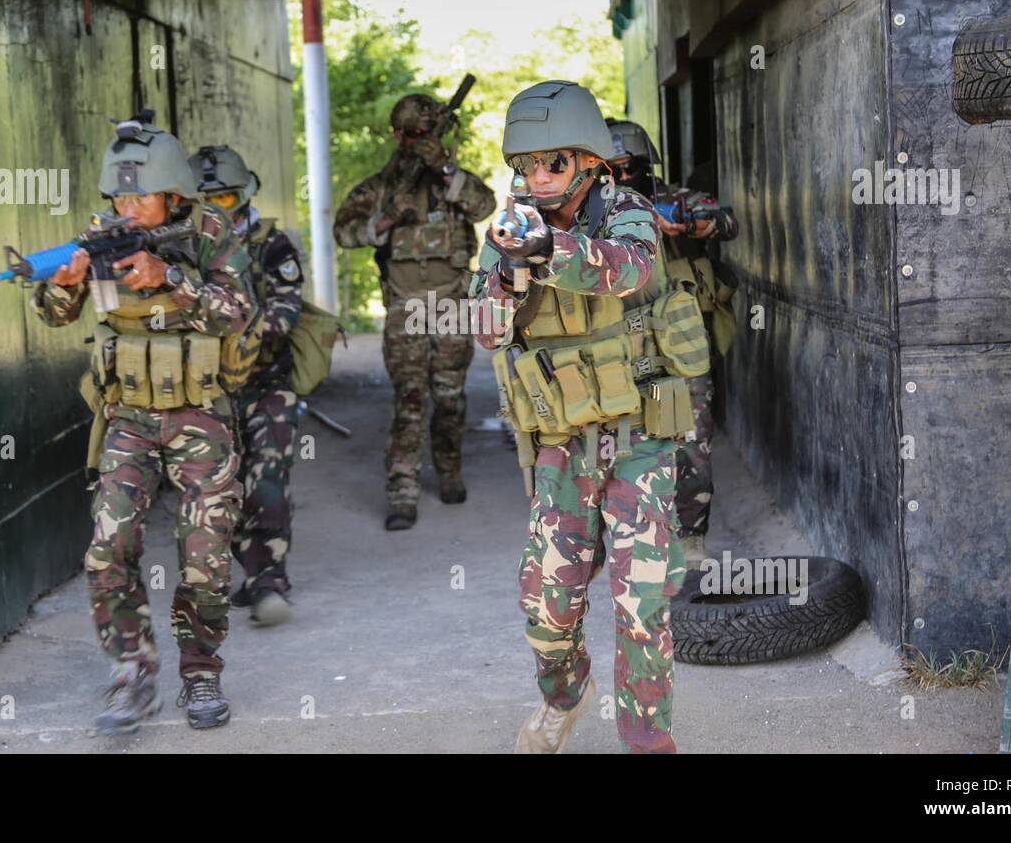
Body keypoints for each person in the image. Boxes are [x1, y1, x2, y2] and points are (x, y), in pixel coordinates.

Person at [471, 81, 710, 753]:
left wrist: (550, 252)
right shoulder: (510, 228)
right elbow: (486, 332)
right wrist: (508, 279)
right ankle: (567, 696)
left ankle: (649, 743)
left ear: (589, 161)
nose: (538, 178)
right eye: (527, 166)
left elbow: (630, 271)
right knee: (546, 613)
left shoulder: (625, 210)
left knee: (643, 609)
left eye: (554, 163)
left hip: (638, 438)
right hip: (560, 444)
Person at [33, 113, 256, 733]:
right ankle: (131, 672)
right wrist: (62, 285)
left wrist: (172, 279)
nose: (126, 208)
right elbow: (54, 315)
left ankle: (201, 671)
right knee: (108, 549)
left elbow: (238, 313)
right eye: (119, 196)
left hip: (200, 416)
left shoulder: (213, 230)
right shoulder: (100, 233)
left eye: (140, 196)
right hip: (128, 415)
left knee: (205, 552)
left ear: (174, 192)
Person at [333, 93, 496, 530]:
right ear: (397, 135)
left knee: (449, 399)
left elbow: (485, 206)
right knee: (408, 399)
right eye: (412, 135)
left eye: (426, 135)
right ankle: (402, 488)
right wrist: (383, 223)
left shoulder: (453, 181)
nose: (418, 143)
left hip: (450, 305)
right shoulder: (381, 186)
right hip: (406, 309)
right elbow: (343, 232)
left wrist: (446, 168)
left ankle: (448, 468)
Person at [606, 119, 739, 566]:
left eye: (631, 168)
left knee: (691, 439)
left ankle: (691, 539)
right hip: (618, 350)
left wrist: (694, 223)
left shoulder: (671, 200)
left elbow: (726, 221)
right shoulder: (592, 214)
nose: (623, 178)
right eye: (612, 169)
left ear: (646, 165)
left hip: (678, 344)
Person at [189, 144, 302, 627]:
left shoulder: (271, 245)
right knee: (218, 487)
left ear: (245, 197)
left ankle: (270, 580)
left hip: (267, 383)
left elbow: (286, 307)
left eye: (229, 202)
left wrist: (243, 334)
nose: (219, 212)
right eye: (208, 203)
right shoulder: (181, 247)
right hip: (207, 389)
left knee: (268, 480)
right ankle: (249, 573)